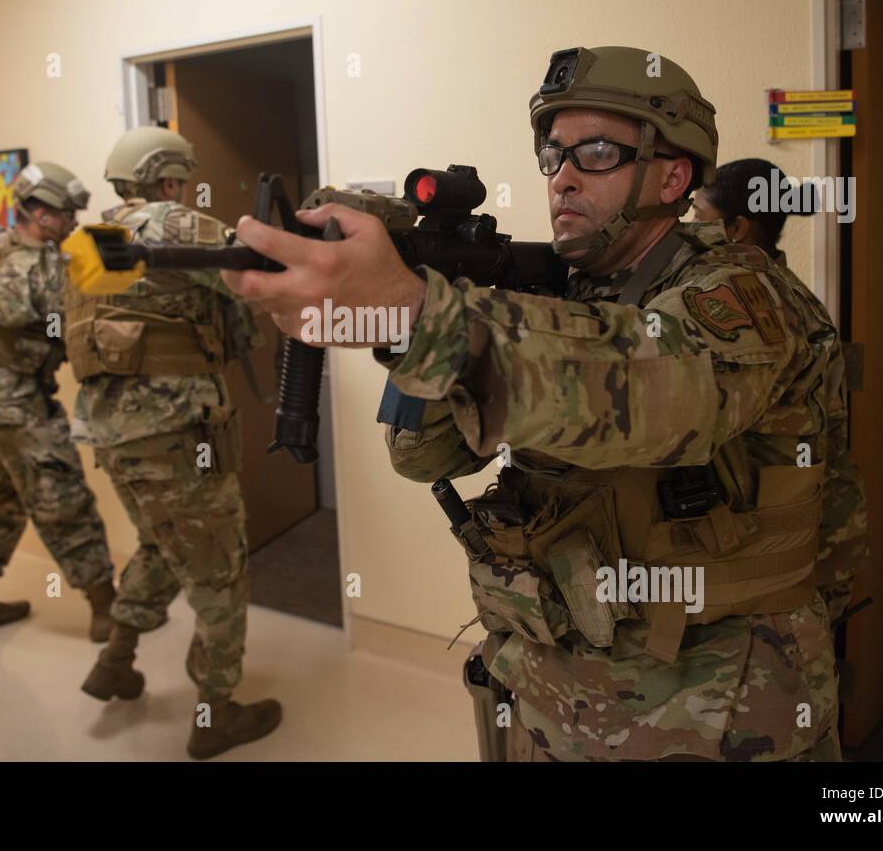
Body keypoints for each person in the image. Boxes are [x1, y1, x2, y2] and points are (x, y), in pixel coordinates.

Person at [221, 46, 841, 761]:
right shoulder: (559, 295)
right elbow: (421, 455)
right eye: (553, 155)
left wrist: (426, 313)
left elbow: (659, 388)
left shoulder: (745, 290)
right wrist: (416, 324)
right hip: (553, 696)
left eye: (598, 152)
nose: (563, 176)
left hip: (720, 717)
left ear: (673, 176)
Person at [66, 127, 281, 759]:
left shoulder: (88, 243)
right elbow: (259, 276)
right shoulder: (175, 225)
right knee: (221, 573)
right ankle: (216, 715)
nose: (184, 191)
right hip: (178, 439)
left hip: (114, 439)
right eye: (181, 180)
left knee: (160, 547)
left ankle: (116, 661)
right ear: (166, 179)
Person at [691, 159, 870, 626]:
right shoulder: (785, 291)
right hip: (818, 523)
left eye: (698, 217)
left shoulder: (757, 306)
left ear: (736, 227)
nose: (689, 230)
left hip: (801, 540)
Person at [0, 162, 116, 640]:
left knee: (2, 501)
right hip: (14, 402)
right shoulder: (32, 267)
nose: (72, 224)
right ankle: (106, 607)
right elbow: (70, 321)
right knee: (62, 498)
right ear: (40, 213)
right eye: (66, 215)